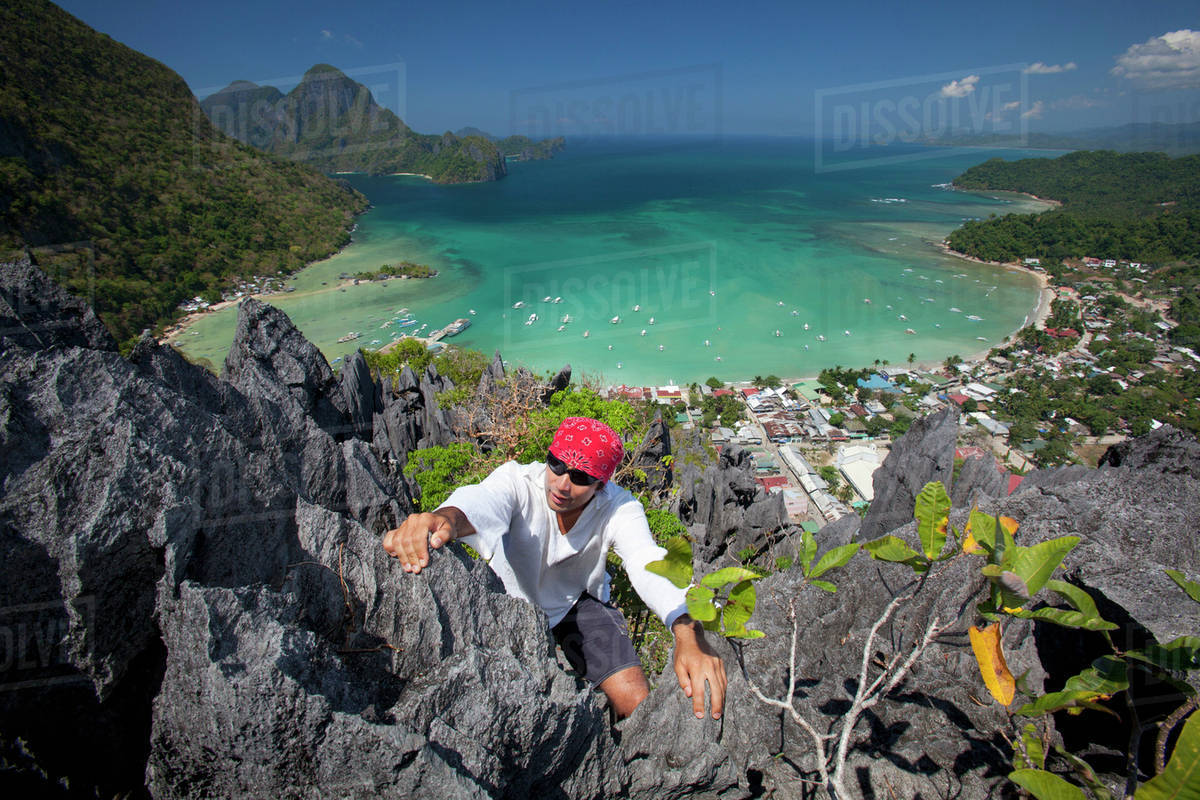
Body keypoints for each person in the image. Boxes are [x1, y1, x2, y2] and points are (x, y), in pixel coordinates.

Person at [382, 416, 726, 720]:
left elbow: (646, 560)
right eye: (556, 464)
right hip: (510, 603)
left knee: (635, 701)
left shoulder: (619, 508)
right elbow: (478, 503)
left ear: (601, 485)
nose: (562, 484)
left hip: (575, 603)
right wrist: (441, 520)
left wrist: (686, 630)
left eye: (580, 476)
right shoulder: (519, 482)